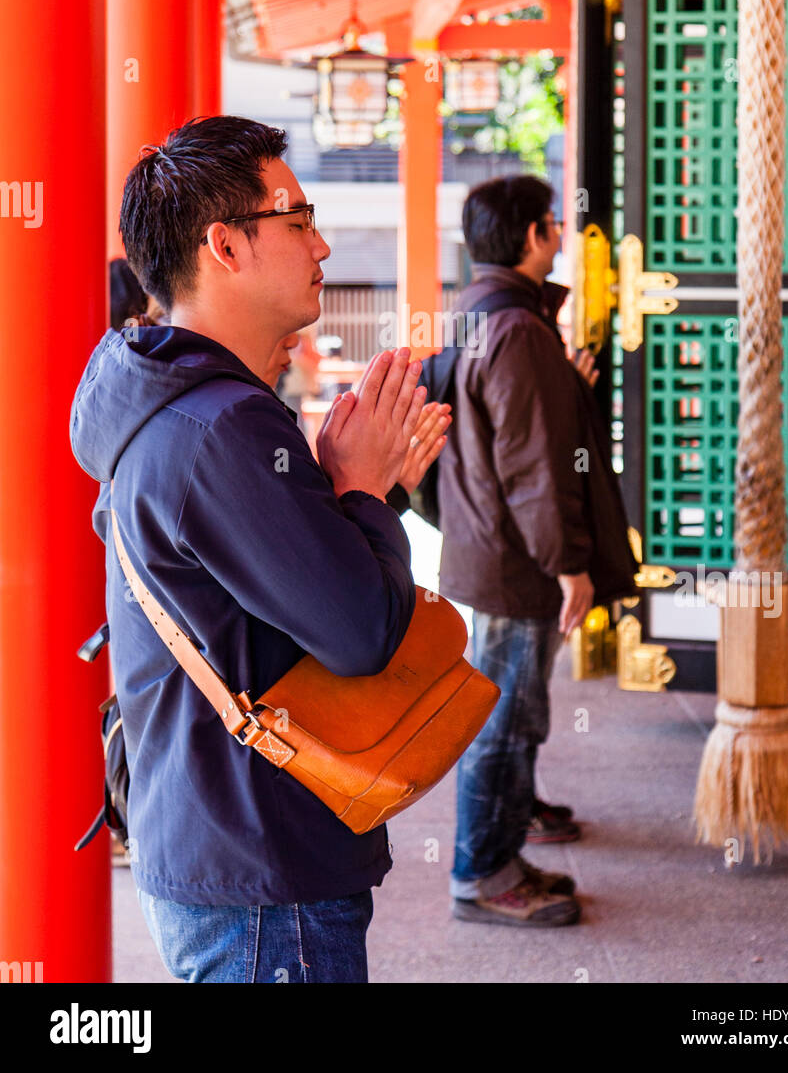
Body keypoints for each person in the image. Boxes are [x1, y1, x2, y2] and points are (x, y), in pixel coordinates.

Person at [71, 116, 434, 984]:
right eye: (298, 219)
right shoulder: (222, 422)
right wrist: (361, 489)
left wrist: (356, 486)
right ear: (225, 245)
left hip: (213, 833)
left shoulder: (168, 399)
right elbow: (359, 631)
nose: (323, 244)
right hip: (261, 865)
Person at [438, 174, 637, 927]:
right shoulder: (519, 329)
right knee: (507, 720)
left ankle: (498, 857)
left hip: (487, 547)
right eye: (553, 224)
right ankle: (481, 875)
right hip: (518, 560)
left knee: (510, 714)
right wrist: (570, 565)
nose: (560, 235)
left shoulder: (479, 312)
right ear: (531, 238)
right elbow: (533, 465)